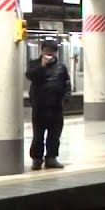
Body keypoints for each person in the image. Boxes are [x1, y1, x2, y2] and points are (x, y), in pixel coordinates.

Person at [25, 42, 70, 170]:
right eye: (46, 50)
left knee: (54, 135)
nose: (49, 53)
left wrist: (65, 98)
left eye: (52, 51)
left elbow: (66, 82)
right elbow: (30, 76)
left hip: (56, 106)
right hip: (39, 106)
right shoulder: (34, 64)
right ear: (42, 51)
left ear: (55, 52)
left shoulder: (61, 67)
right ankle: (36, 159)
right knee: (38, 135)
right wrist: (42, 66)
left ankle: (51, 158)